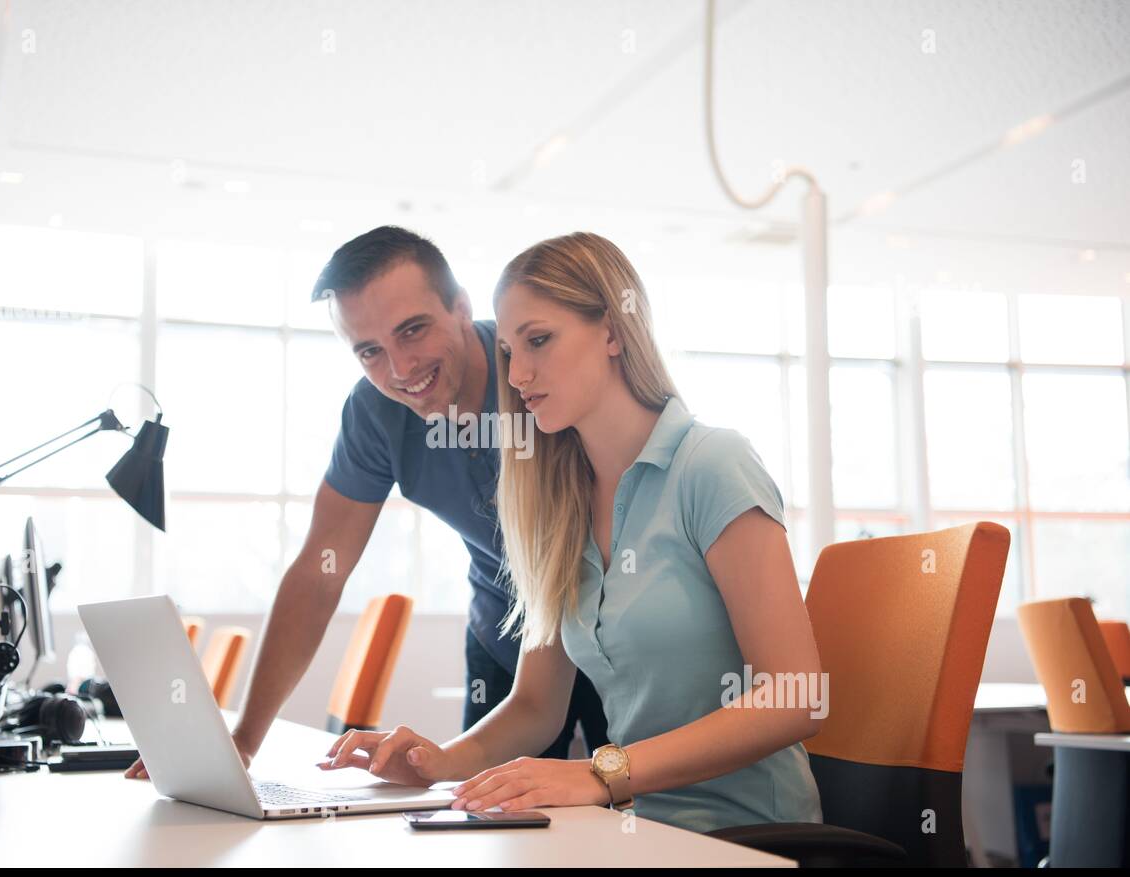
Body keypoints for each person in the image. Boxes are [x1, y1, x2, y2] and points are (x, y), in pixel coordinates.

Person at [320, 232, 824, 834]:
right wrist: (437, 762)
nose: (520, 374)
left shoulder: (712, 465)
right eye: (508, 352)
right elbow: (537, 705)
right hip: (637, 831)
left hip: (748, 836)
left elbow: (797, 696)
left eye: (539, 341)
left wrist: (600, 772)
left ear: (613, 331)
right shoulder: (556, 505)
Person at [126, 226, 607, 781]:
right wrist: (243, 741)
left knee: (639, 814)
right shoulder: (376, 415)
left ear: (461, 307)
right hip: (507, 633)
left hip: (611, 633)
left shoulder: (536, 373)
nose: (401, 370)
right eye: (370, 351)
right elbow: (319, 572)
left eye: (413, 330)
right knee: (493, 825)